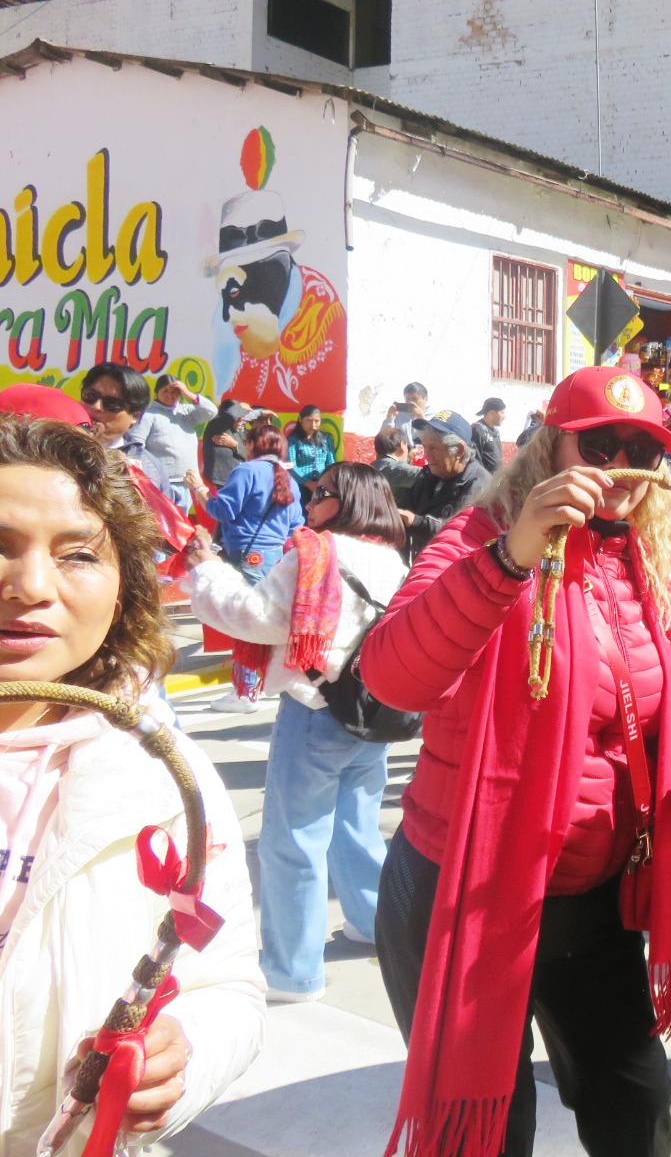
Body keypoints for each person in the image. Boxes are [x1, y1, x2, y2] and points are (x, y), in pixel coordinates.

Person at [362, 365, 671, 1157]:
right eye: (602, 442)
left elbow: (657, 723)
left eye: (643, 449)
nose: (622, 462)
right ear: (553, 444)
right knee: (486, 1130)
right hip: (468, 892)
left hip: (593, 900)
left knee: (635, 1109)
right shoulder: (479, 536)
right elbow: (390, 674)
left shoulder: (647, 562)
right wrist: (512, 557)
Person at [0, 414, 264, 1151]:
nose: (29, 586)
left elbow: (228, 987)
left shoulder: (165, 781)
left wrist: (184, 1058)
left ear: (123, 588)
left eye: (77, 554)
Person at [187, 462, 408, 1002]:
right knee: (357, 829)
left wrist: (206, 570)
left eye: (322, 492)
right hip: (370, 712)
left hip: (314, 708)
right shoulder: (393, 558)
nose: (310, 500)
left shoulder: (316, 552)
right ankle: (374, 925)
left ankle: (293, 969)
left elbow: (253, 615)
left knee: (293, 843)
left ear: (348, 499)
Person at [185, 420, 305, 712]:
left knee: (244, 621)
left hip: (246, 554)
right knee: (268, 618)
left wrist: (199, 489)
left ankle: (244, 692)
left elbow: (222, 509)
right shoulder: (290, 479)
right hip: (274, 555)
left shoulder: (246, 471)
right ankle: (262, 683)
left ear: (252, 445)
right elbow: (296, 524)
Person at [400, 410, 491, 563]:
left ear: (459, 451)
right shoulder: (428, 475)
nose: (427, 455)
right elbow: (407, 507)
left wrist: (417, 522)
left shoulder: (479, 486)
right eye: (425, 447)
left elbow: (463, 535)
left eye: (434, 448)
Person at [78, 361, 180, 494]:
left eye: (112, 403)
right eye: (91, 396)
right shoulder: (53, 448)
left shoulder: (150, 471)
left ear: (135, 416)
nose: (96, 407)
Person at [145, 374, 219, 510]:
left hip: (186, 481)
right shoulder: (149, 414)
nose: (170, 395)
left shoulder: (186, 412)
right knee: (162, 523)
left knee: (182, 525)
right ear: (157, 392)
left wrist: (188, 394)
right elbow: (137, 445)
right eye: (165, 391)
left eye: (175, 391)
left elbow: (211, 411)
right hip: (161, 482)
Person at [286, 403, 336, 505]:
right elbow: (291, 466)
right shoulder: (293, 440)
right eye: (309, 420)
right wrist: (308, 484)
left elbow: (331, 463)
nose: (313, 425)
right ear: (300, 419)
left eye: (316, 421)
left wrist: (327, 482)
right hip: (300, 487)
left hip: (323, 486)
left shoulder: (326, 439)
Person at [202, 399, 253, 489]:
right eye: (239, 416)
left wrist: (235, 445)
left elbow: (247, 454)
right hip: (219, 482)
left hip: (235, 480)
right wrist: (241, 407)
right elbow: (228, 415)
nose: (242, 420)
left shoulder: (239, 431)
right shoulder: (216, 425)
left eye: (243, 416)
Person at [374, 425, 424, 504]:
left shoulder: (377, 465)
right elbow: (427, 476)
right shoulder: (393, 468)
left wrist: (408, 458)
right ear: (402, 445)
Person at [473, 397, 508, 474]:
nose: (505, 417)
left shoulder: (496, 431)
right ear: (492, 413)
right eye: (502, 412)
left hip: (496, 480)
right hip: (484, 481)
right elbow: (476, 459)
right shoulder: (478, 430)